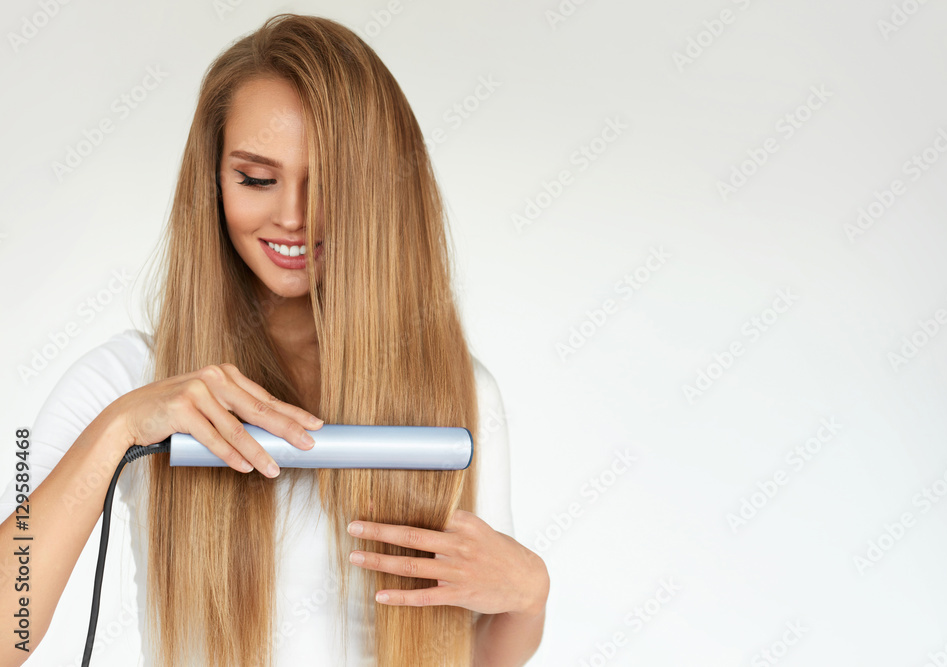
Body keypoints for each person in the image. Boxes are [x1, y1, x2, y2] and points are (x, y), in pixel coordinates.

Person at [0, 13, 548, 667]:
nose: (292, 216)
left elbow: (473, 654)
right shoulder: (126, 379)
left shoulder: (462, 391)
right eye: (258, 179)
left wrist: (529, 597)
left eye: (330, 183)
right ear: (212, 182)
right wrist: (119, 428)